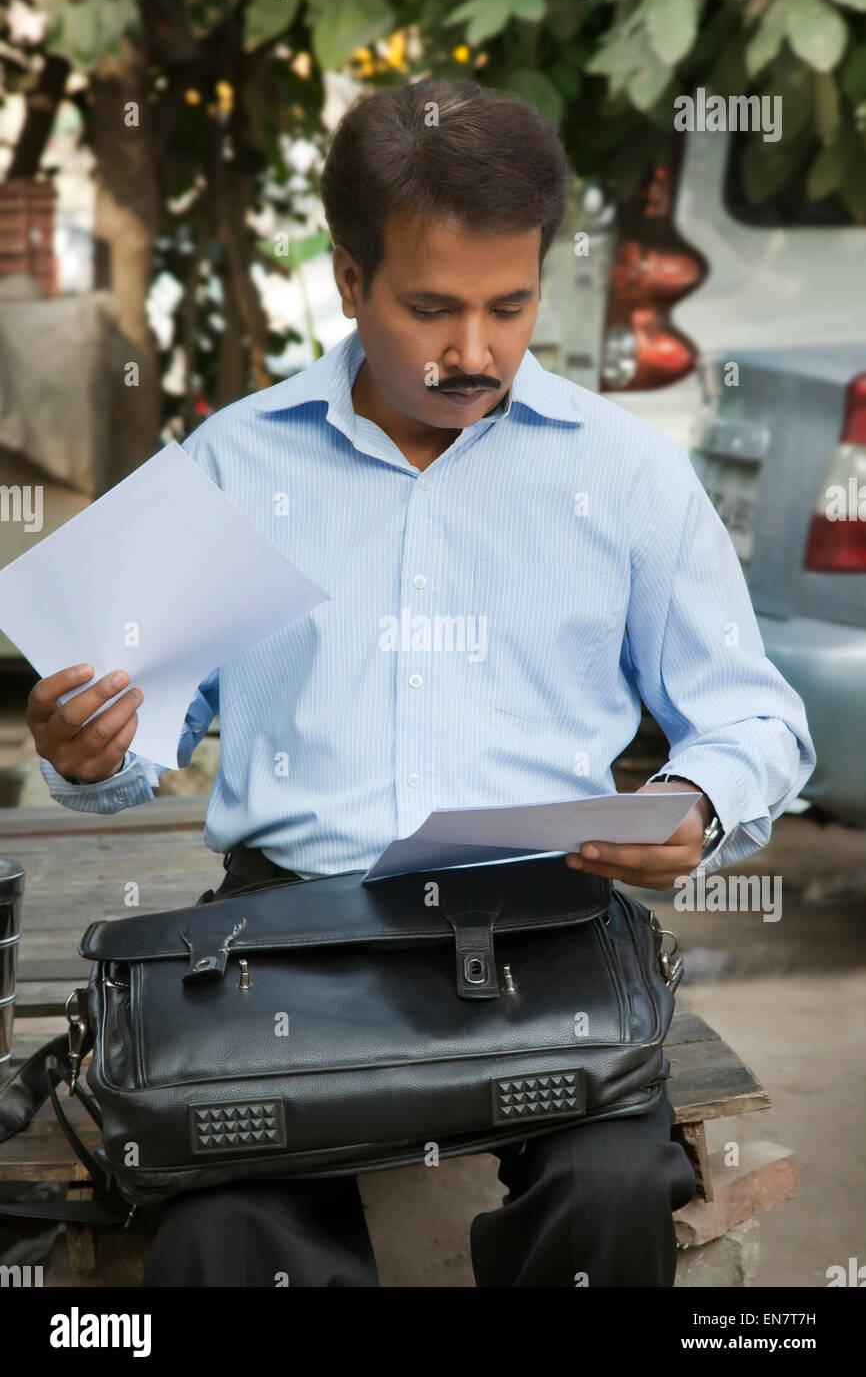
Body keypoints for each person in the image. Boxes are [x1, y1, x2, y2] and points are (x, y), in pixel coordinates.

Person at [28, 78, 815, 1287]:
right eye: (431, 308)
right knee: (223, 1232)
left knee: (611, 1192)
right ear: (349, 283)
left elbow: (755, 714)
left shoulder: (625, 478)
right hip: (281, 943)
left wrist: (699, 804)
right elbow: (144, 725)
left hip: (544, 928)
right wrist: (92, 750)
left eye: (511, 307)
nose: (474, 351)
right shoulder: (237, 464)